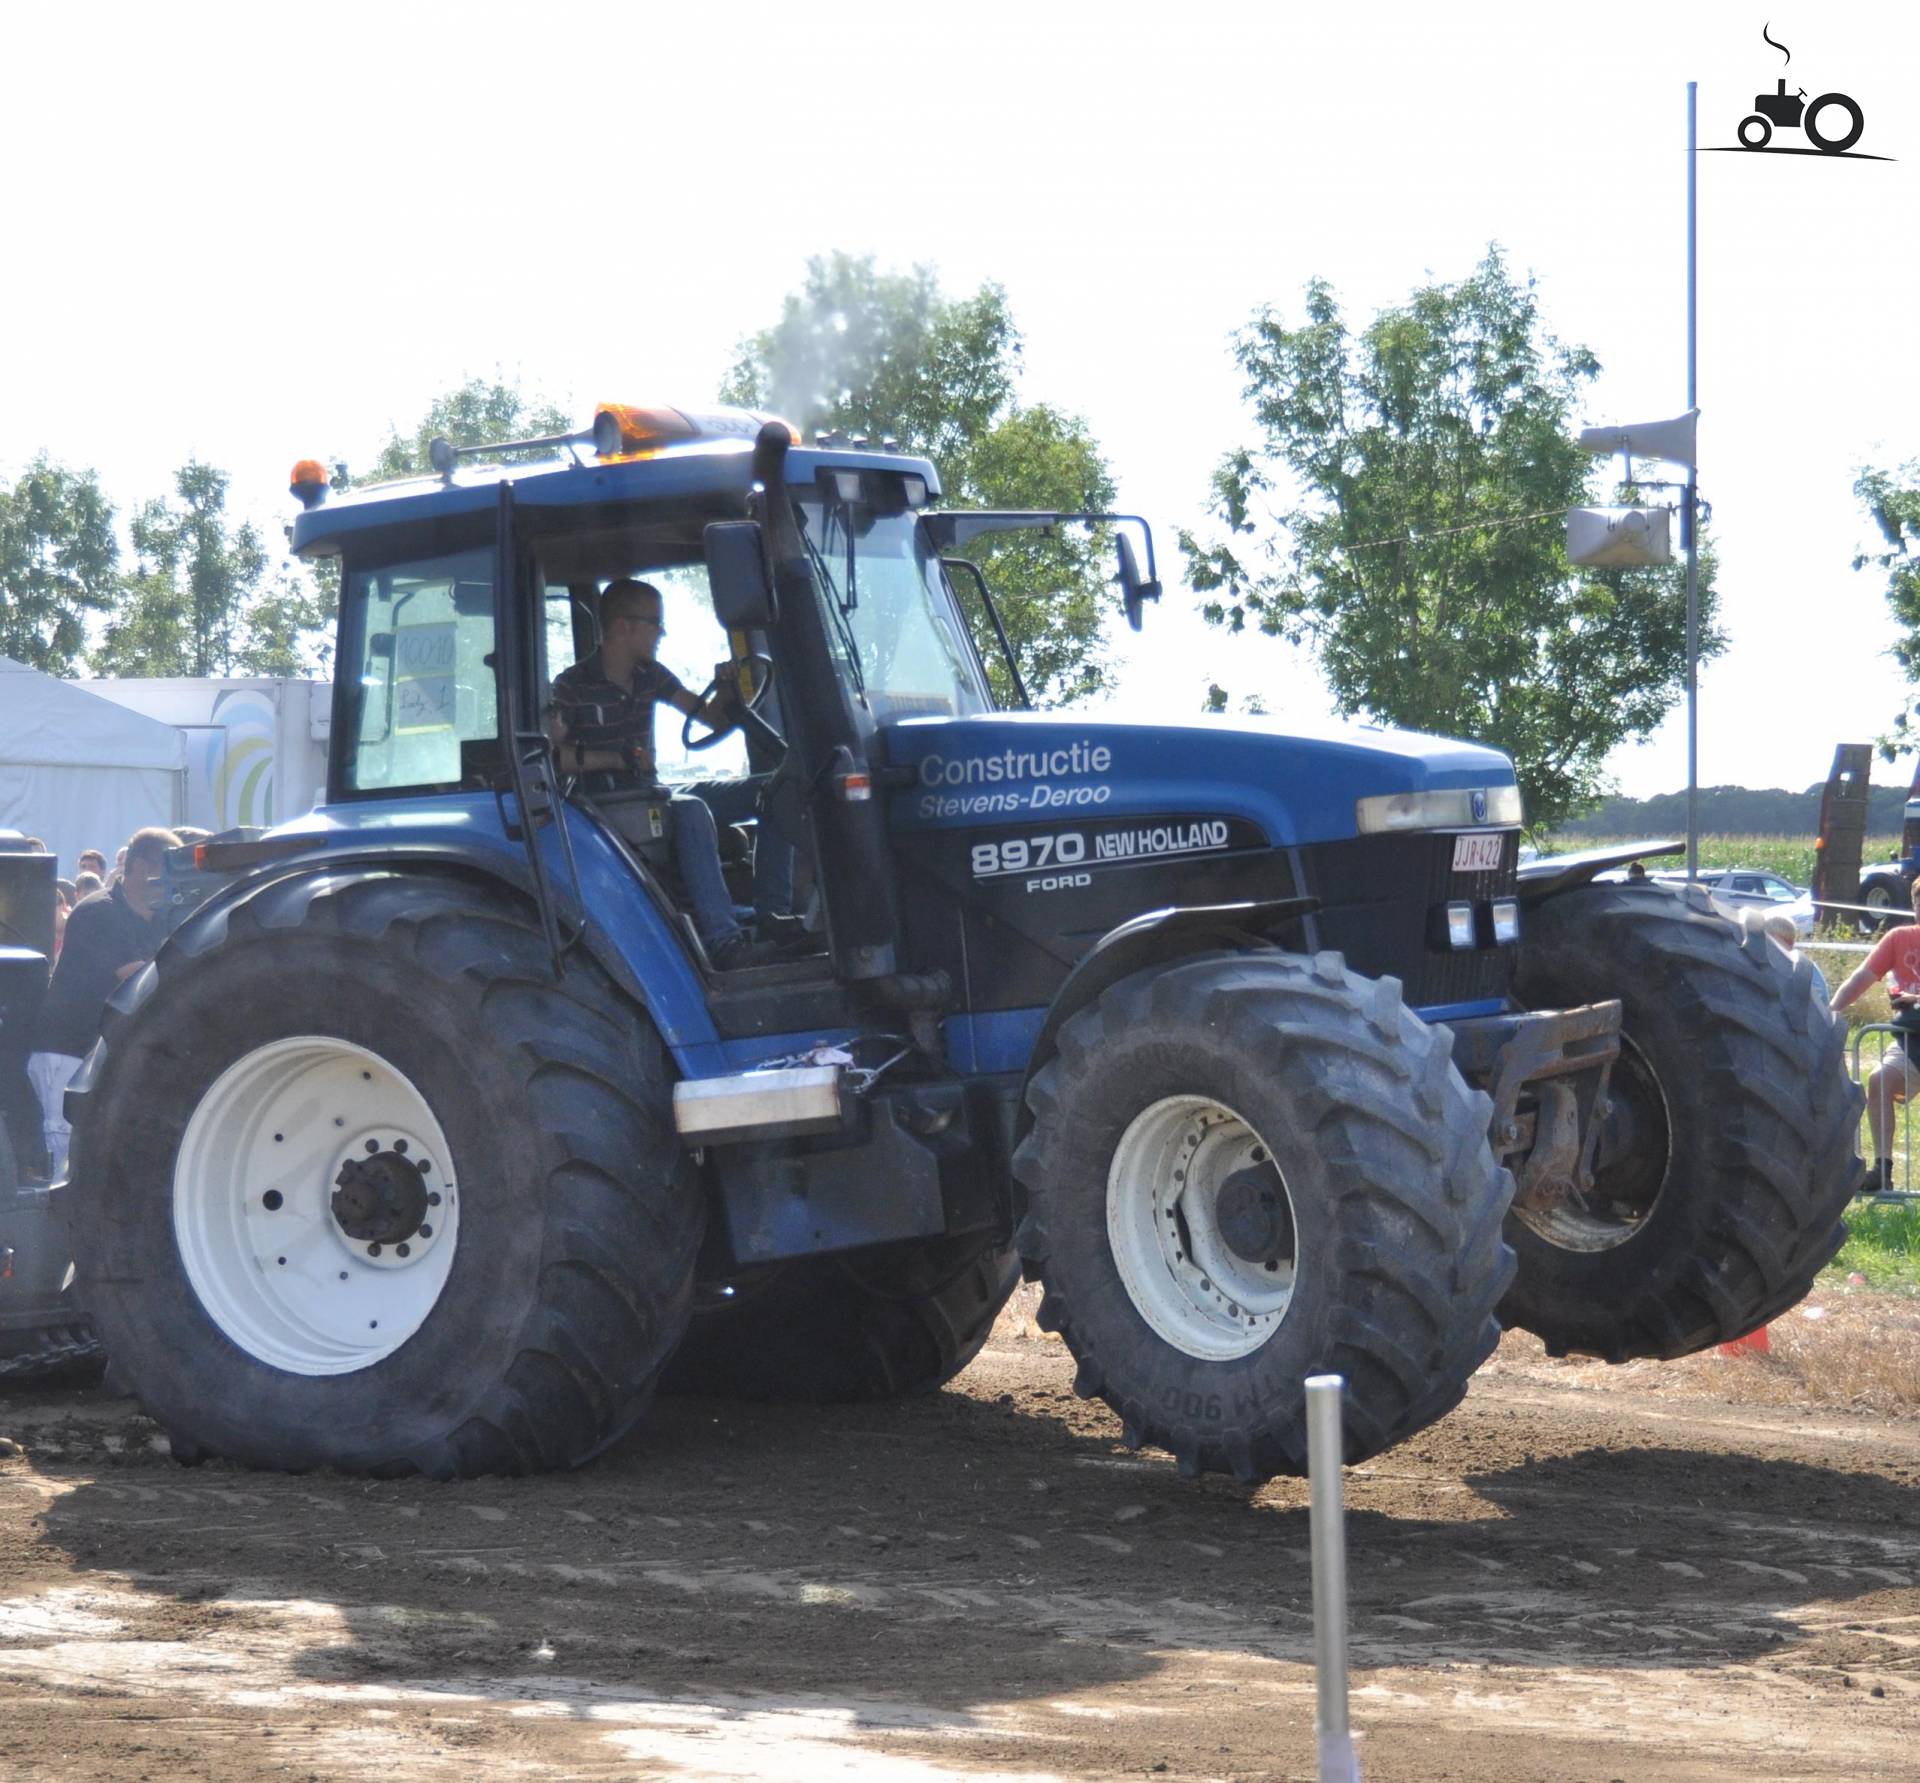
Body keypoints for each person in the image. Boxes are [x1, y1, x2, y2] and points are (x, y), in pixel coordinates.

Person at [546, 579, 777, 970]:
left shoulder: (651, 676)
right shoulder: (571, 686)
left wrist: (725, 690)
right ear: (624, 627)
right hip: (606, 807)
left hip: (651, 793)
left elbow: (709, 717)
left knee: (773, 789)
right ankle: (723, 942)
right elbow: (552, 756)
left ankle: (774, 916)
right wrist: (616, 759)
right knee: (690, 810)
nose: (662, 633)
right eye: (655, 623)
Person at [27, 826, 178, 1177]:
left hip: (97, 1055)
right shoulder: (99, 912)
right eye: (165, 870)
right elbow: (138, 976)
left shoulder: (154, 920)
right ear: (139, 866)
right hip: (64, 1053)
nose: (170, 882)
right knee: (63, 1160)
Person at [1829, 875, 1920, 1193]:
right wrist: (1830, 1012)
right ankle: (1883, 1169)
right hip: (1909, 1041)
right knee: (1879, 1080)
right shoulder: (1898, 938)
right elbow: (1860, 978)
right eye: (1919, 903)